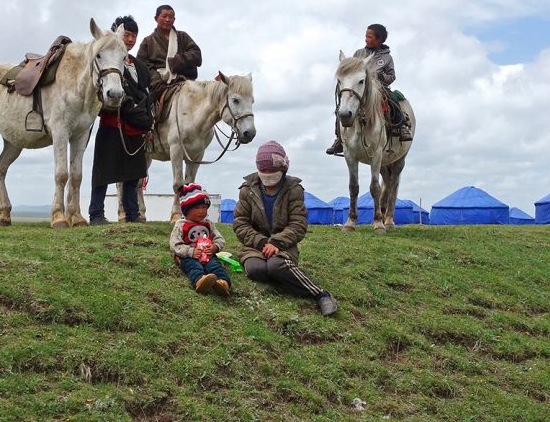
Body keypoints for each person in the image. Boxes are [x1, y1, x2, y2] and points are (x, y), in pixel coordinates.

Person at [233, 141, 337, 315]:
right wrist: (261, 242)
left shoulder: (294, 190)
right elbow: (240, 223)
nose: (267, 174)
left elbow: (298, 224)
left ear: (283, 168)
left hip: (283, 246)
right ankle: (287, 279)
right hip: (254, 247)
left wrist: (276, 243)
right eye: (263, 170)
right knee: (255, 269)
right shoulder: (247, 189)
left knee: (275, 265)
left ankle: (320, 294)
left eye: (272, 170)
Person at [88, 15, 153, 225]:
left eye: (134, 35)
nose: (130, 39)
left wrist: (147, 124)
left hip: (136, 126)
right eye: (127, 34)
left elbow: (146, 95)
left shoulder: (140, 66)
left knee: (133, 175)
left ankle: (132, 214)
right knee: (103, 172)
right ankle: (96, 214)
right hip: (112, 123)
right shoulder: (105, 62)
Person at [326, 23, 412, 156]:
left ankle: (402, 127)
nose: (366, 39)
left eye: (370, 37)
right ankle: (339, 138)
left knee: (392, 98)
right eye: (366, 36)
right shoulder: (359, 53)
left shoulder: (387, 58)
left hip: (379, 87)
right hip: (359, 88)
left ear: (379, 39)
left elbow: (392, 76)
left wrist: (380, 77)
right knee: (342, 106)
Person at [170, 182, 232, 296]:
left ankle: (223, 284)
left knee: (215, 266)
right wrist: (190, 252)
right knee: (193, 267)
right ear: (186, 210)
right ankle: (200, 281)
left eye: (204, 207)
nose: (201, 211)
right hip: (189, 256)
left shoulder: (209, 224)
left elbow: (219, 238)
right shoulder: (181, 224)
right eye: (197, 207)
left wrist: (214, 247)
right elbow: (175, 244)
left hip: (208, 255)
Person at [136, 4, 202, 99]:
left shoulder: (183, 36)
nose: (167, 20)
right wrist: (156, 81)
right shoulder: (148, 41)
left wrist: (176, 62)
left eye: (171, 17)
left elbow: (197, 54)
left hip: (185, 83)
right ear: (156, 18)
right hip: (158, 88)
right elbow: (141, 64)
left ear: (174, 20)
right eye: (164, 16)